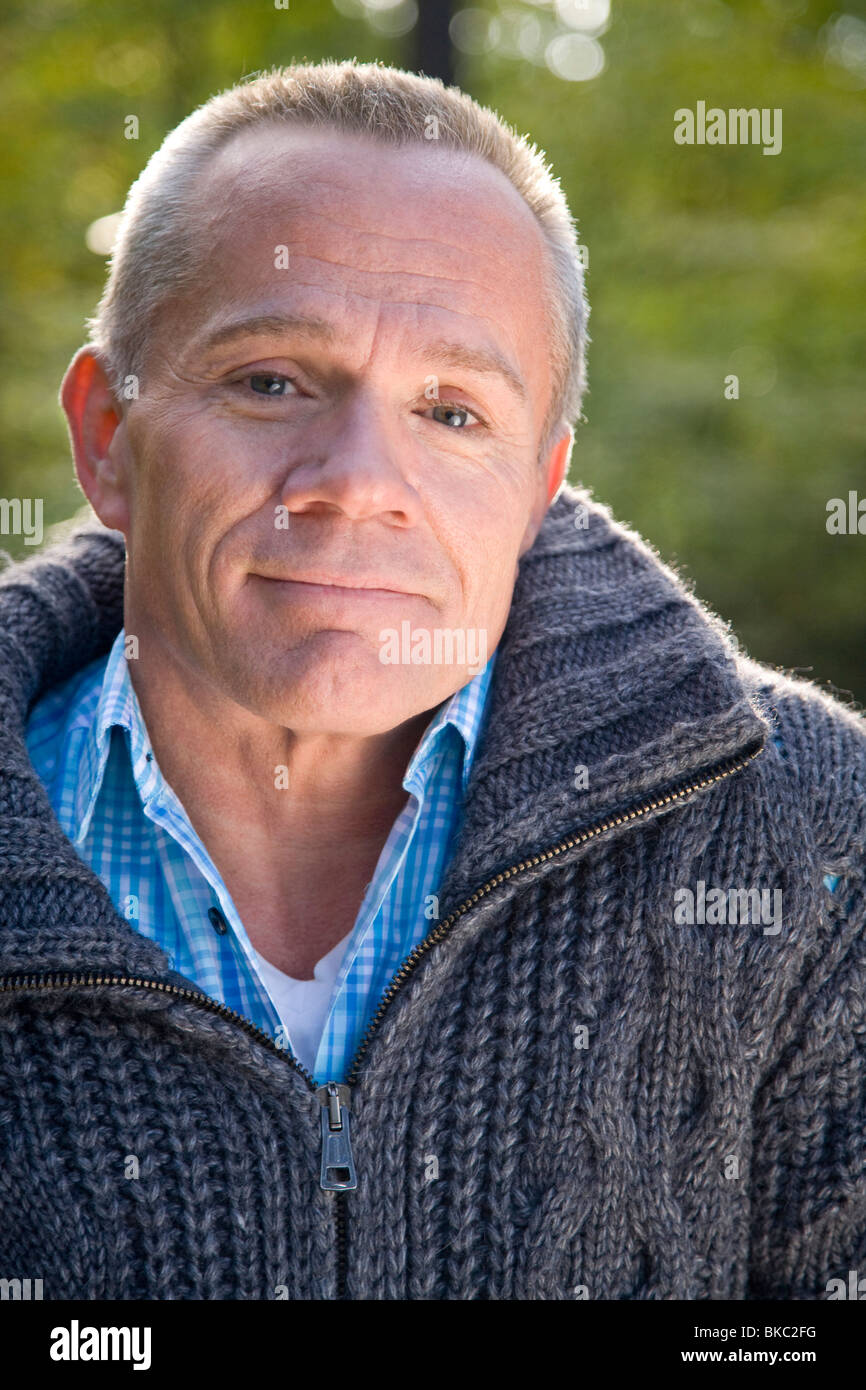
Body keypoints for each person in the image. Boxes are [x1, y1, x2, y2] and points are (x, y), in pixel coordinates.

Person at [0, 59, 863, 1302]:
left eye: (451, 412)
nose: (356, 479)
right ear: (106, 439)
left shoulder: (815, 844)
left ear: (537, 484)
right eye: (271, 381)